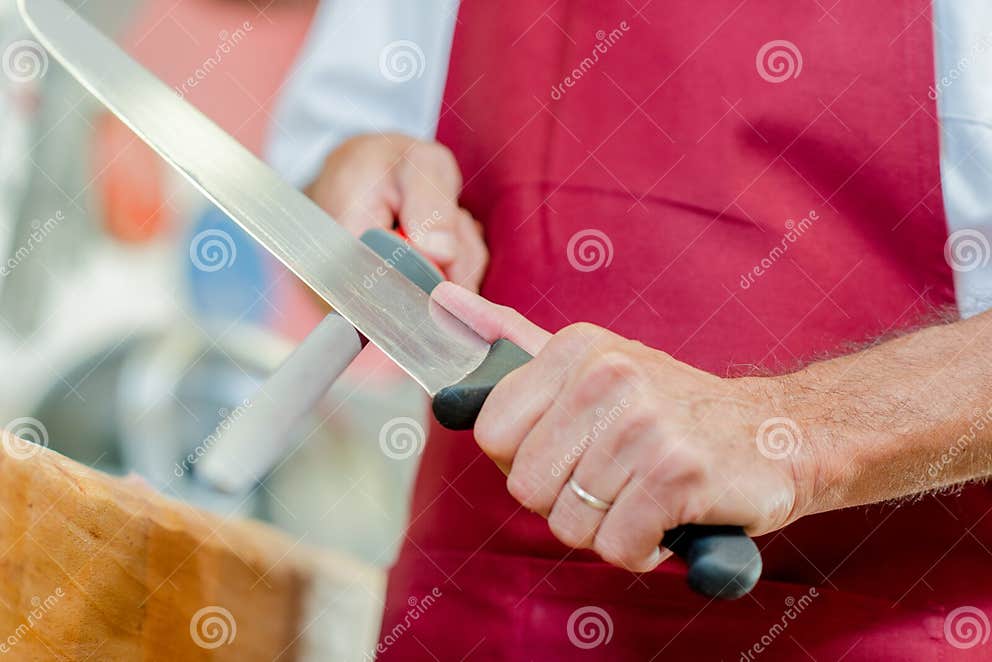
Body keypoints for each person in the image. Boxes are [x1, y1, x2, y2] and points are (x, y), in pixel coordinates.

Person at [269, 1, 992, 659]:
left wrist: (790, 438)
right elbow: (337, 178)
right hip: (475, 613)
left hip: (868, 624)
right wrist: (362, 190)